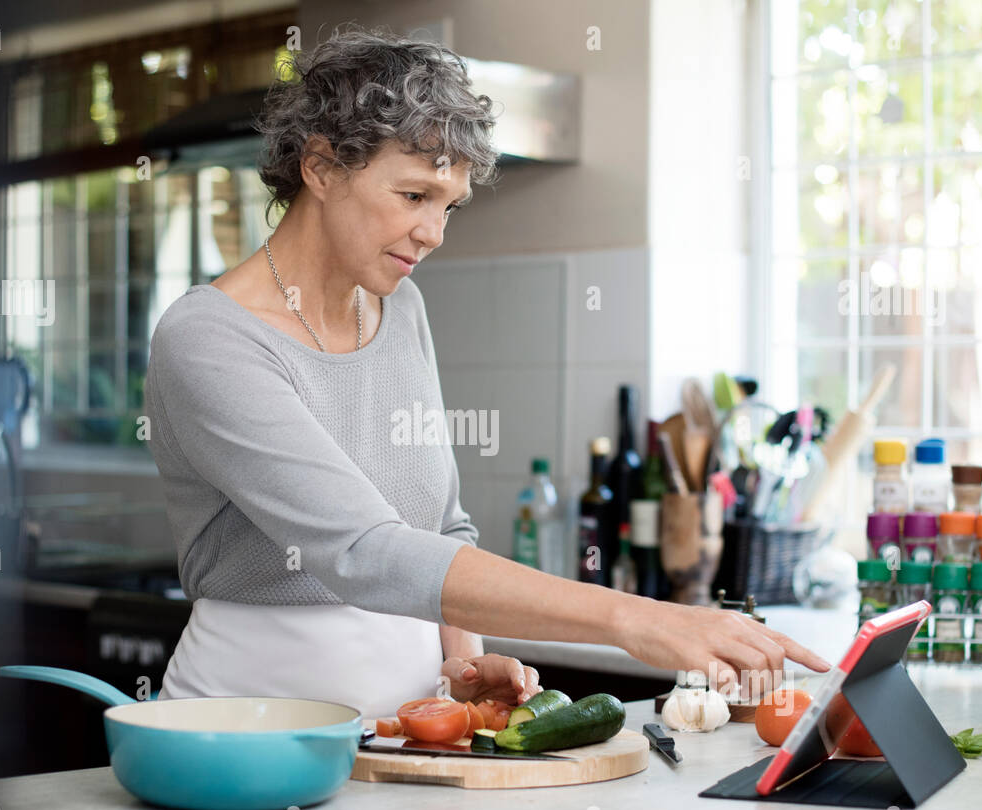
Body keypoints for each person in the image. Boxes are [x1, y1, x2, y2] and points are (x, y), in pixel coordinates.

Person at [144, 24, 829, 718]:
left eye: (448, 206)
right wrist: (641, 619)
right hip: (244, 732)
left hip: (406, 735)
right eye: (413, 197)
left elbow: (440, 527)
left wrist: (459, 665)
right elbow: (359, 550)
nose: (434, 233)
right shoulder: (207, 337)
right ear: (320, 168)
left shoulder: (399, 308)